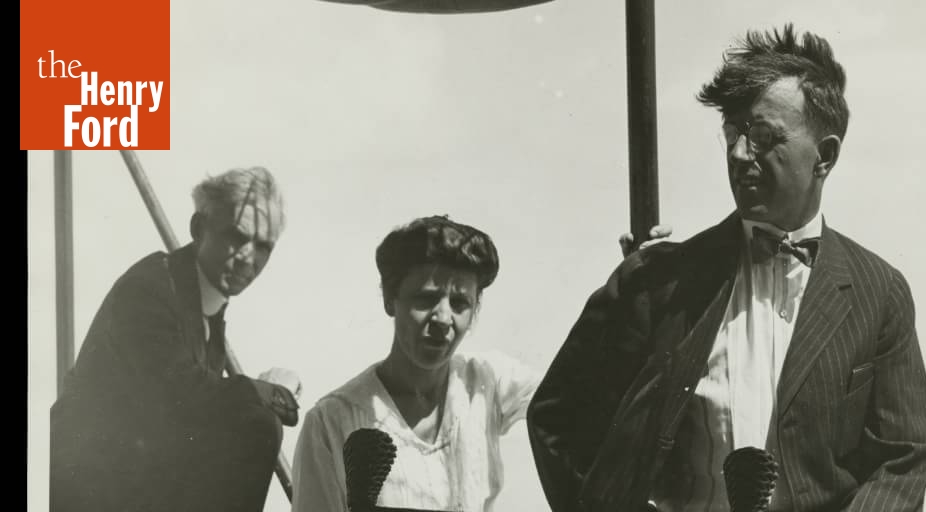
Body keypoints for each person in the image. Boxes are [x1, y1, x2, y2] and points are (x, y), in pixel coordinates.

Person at [527, 24, 926, 512]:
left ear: (825, 156)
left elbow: (908, 455)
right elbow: (558, 420)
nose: (740, 154)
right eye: (733, 134)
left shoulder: (879, 292)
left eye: (765, 136)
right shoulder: (659, 282)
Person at [290, 216, 670, 512]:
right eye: (426, 298)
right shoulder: (331, 422)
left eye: (460, 304)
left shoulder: (486, 380)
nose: (442, 319)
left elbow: (580, 396)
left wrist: (633, 291)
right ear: (390, 300)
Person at [50, 166, 303, 512]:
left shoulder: (204, 304)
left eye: (263, 247)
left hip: (135, 476)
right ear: (198, 229)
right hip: (91, 488)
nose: (249, 257)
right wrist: (265, 391)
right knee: (257, 424)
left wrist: (259, 392)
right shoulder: (151, 287)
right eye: (237, 236)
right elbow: (179, 396)